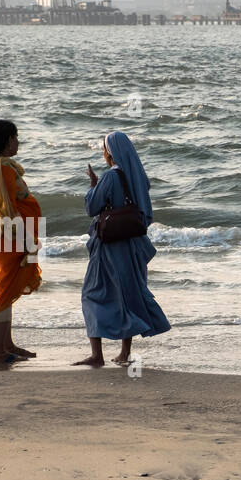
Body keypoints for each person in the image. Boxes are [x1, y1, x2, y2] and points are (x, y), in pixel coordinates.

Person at [74, 131, 170, 367]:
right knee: (127, 294)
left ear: (112, 153)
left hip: (110, 246)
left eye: (105, 149)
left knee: (92, 293)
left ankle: (97, 355)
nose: (103, 154)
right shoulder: (138, 177)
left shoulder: (110, 177)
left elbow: (92, 207)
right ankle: (124, 352)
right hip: (133, 245)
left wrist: (92, 186)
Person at [0, 120, 43, 368]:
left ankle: (6, 345)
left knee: (5, 286)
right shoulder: (2, 168)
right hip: (5, 235)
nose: (18, 142)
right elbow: (8, 209)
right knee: (2, 290)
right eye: (16, 137)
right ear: (7, 140)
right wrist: (26, 241)